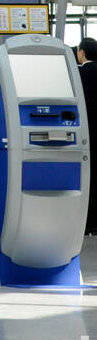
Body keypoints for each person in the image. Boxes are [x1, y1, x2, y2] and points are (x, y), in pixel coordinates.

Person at [76, 38, 97, 234]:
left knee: (87, 177)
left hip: (86, 134)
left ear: (82, 53)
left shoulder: (78, 74)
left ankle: (87, 223)